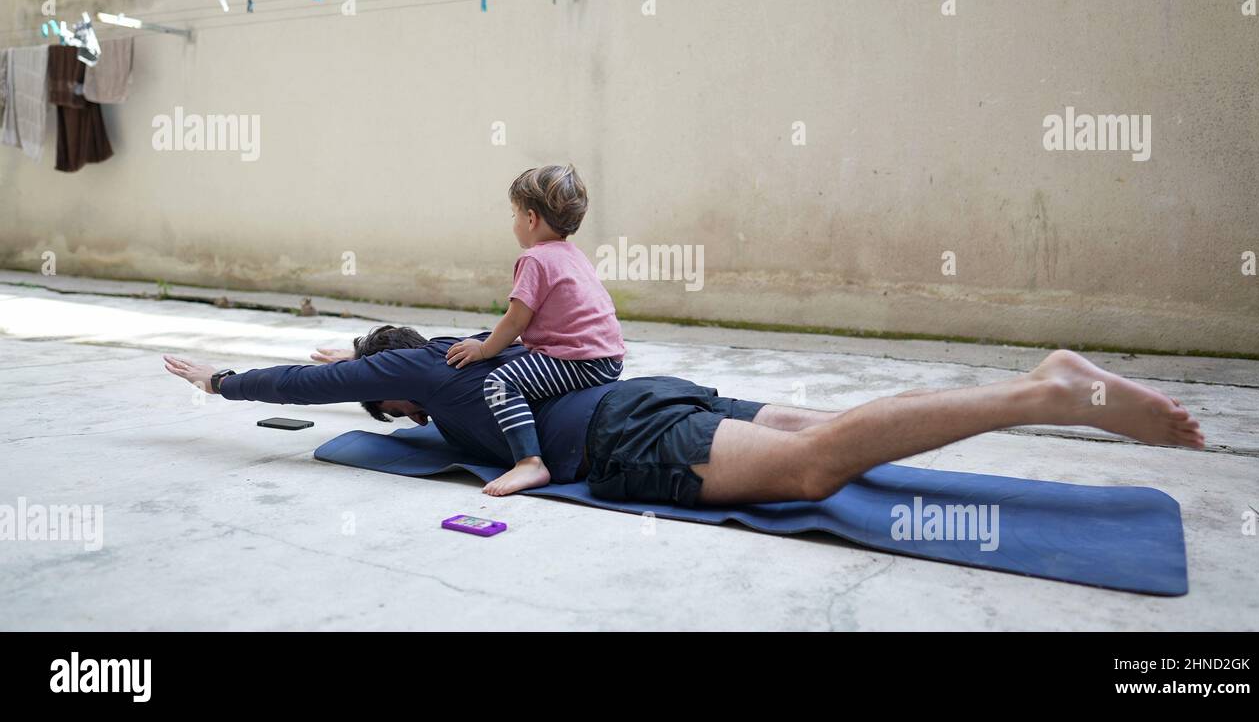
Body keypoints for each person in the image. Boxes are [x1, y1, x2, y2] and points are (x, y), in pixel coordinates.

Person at [163, 328, 1204, 507]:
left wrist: (224, 383)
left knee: (816, 470)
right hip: (654, 395)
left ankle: (1044, 396)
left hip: (630, 440)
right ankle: (1046, 379)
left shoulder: (422, 373)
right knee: (832, 422)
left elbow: (319, 389)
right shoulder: (482, 344)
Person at [445, 164, 625, 496]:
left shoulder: (535, 259)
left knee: (500, 382)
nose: (513, 223)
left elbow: (516, 321)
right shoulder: (574, 255)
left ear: (530, 219)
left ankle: (529, 462)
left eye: (514, 214)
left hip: (580, 361)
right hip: (609, 359)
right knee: (528, 368)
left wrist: (483, 349)